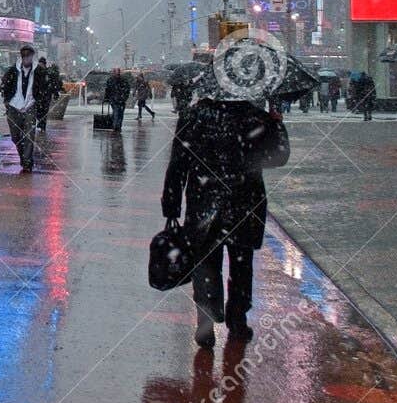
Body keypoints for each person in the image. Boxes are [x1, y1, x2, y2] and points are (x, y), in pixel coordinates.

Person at [161, 94, 290, 349]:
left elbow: (178, 163)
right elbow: (278, 157)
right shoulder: (255, 117)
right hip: (245, 201)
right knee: (241, 264)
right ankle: (237, 319)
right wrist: (276, 124)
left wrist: (171, 205)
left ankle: (206, 321)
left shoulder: (194, 116)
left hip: (203, 202)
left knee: (206, 263)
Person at [0, 45, 47, 172]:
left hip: (30, 106)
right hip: (14, 107)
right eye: (24, 56)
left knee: (29, 136)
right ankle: (23, 156)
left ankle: (27, 162)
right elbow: (5, 85)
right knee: (15, 137)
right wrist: (7, 101)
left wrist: (40, 102)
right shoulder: (13, 70)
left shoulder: (39, 71)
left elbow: (44, 89)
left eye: (28, 56)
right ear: (21, 57)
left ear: (32, 56)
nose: (26, 58)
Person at [103, 67, 132, 132]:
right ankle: (117, 126)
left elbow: (108, 90)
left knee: (118, 113)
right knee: (118, 112)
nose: (116, 73)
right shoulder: (120, 80)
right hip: (116, 100)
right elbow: (108, 90)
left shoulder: (112, 80)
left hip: (118, 99)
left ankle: (116, 126)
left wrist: (107, 97)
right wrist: (107, 98)